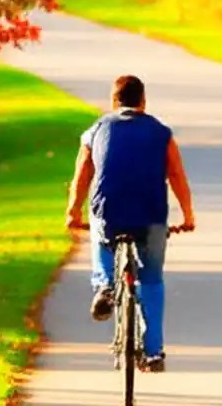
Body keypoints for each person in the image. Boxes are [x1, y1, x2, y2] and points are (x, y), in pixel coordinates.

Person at [66, 74, 196, 373]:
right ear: (143, 103)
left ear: (113, 102)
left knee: (100, 235)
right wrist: (188, 216)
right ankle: (153, 353)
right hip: (150, 217)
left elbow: (83, 175)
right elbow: (176, 175)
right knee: (151, 280)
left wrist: (73, 212)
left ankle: (104, 285)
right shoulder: (162, 132)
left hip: (108, 213)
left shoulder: (96, 130)